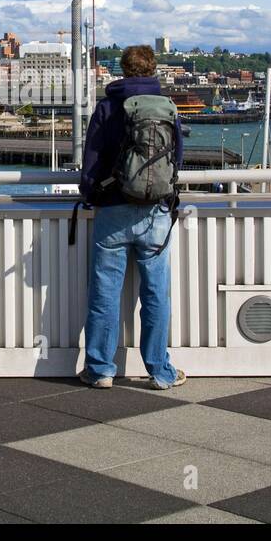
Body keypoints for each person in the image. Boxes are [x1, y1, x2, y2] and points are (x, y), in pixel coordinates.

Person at [78, 45, 187, 390]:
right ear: (153, 69)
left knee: (105, 292)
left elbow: (92, 159)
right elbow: (177, 158)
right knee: (156, 293)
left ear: (122, 70)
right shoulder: (167, 108)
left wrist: (90, 193)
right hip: (156, 210)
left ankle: (100, 369)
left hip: (112, 208)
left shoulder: (108, 106)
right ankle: (160, 371)